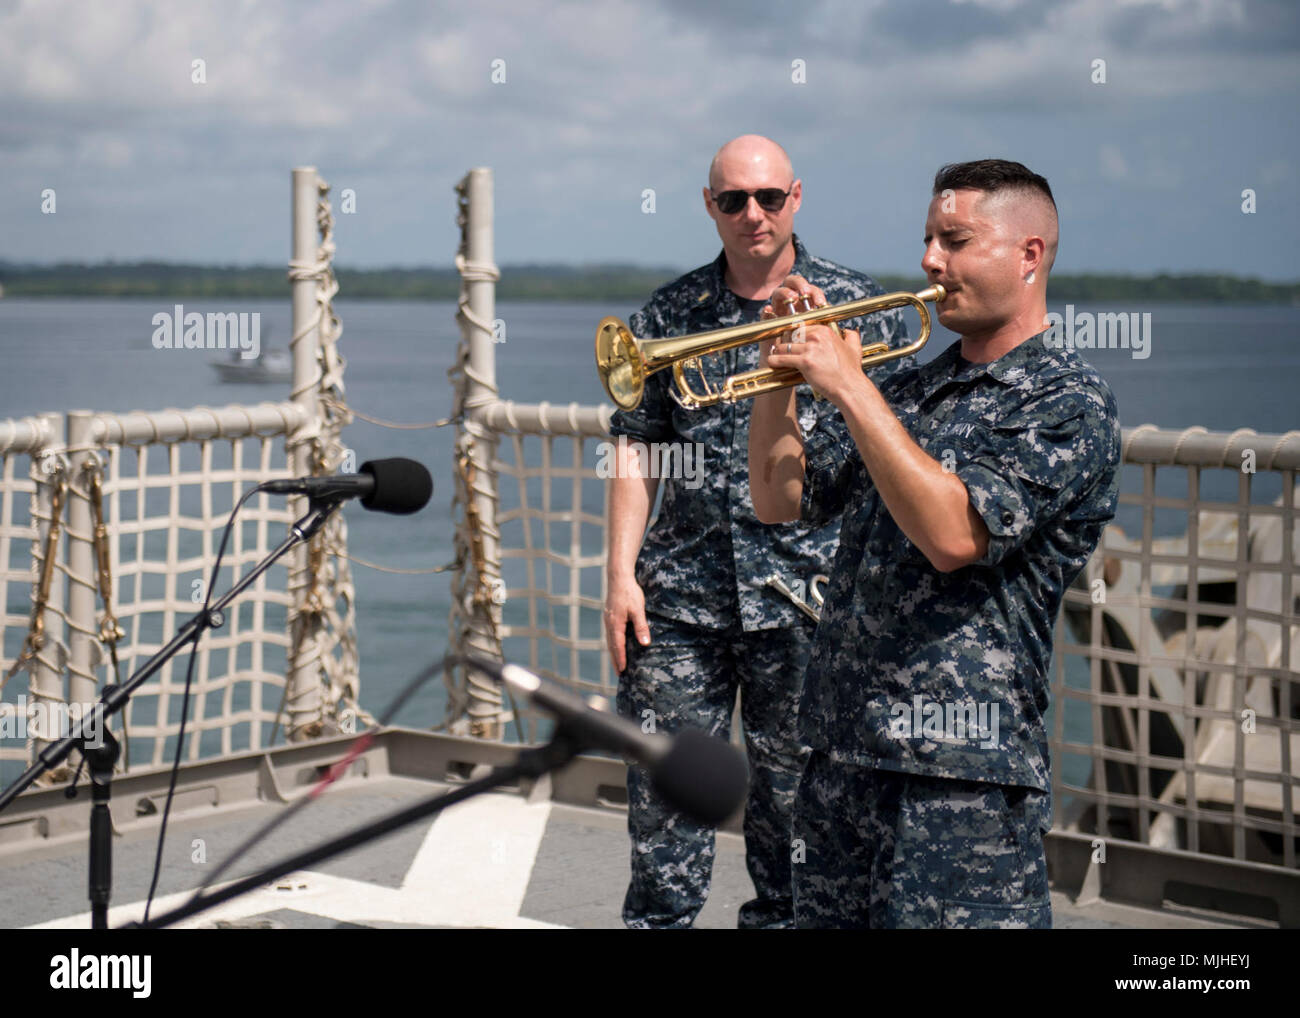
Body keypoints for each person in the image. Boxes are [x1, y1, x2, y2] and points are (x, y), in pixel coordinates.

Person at [747, 159, 1121, 928]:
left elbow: (955, 535)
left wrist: (850, 386)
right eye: (926, 238)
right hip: (842, 759)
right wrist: (778, 371)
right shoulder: (912, 392)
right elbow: (780, 499)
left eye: (954, 239)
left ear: (1029, 254)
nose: (928, 261)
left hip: (959, 781)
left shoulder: (1067, 401)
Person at [604, 134, 912, 928]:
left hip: (807, 603)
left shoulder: (852, 302)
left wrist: (832, 366)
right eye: (734, 199)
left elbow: (894, 448)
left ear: (796, 198)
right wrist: (619, 577)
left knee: (795, 817)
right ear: (710, 205)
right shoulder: (670, 314)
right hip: (680, 600)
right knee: (664, 810)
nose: (753, 214)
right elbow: (638, 446)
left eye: (769, 197)